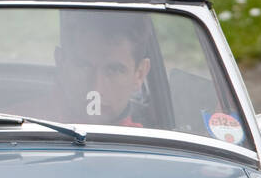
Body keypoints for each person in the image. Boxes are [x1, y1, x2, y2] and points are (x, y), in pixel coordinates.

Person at [12, 10, 155, 127]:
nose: (96, 90)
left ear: (139, 74)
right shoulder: (16, 127)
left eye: (114, 70)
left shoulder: (150, 147)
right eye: (83, 66)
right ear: (61, 63)